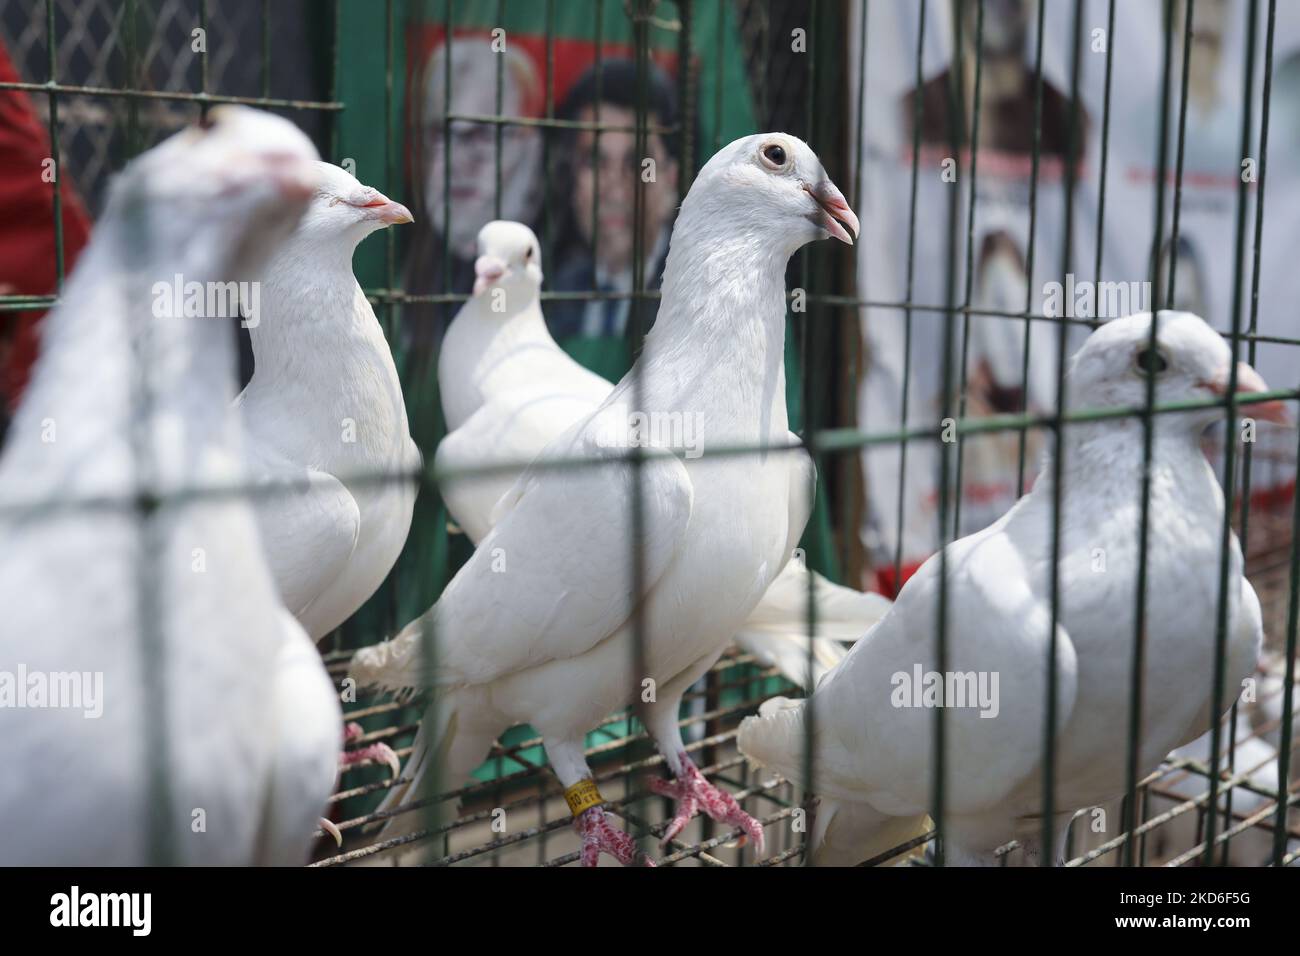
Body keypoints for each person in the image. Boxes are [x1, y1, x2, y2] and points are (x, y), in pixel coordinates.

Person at [545, 58, 682, 382]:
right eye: (595, 160)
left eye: (637, 163)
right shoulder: (551, 291)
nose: (614, 187)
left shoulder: (695, 299)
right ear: (573, 177)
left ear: (671, 181)